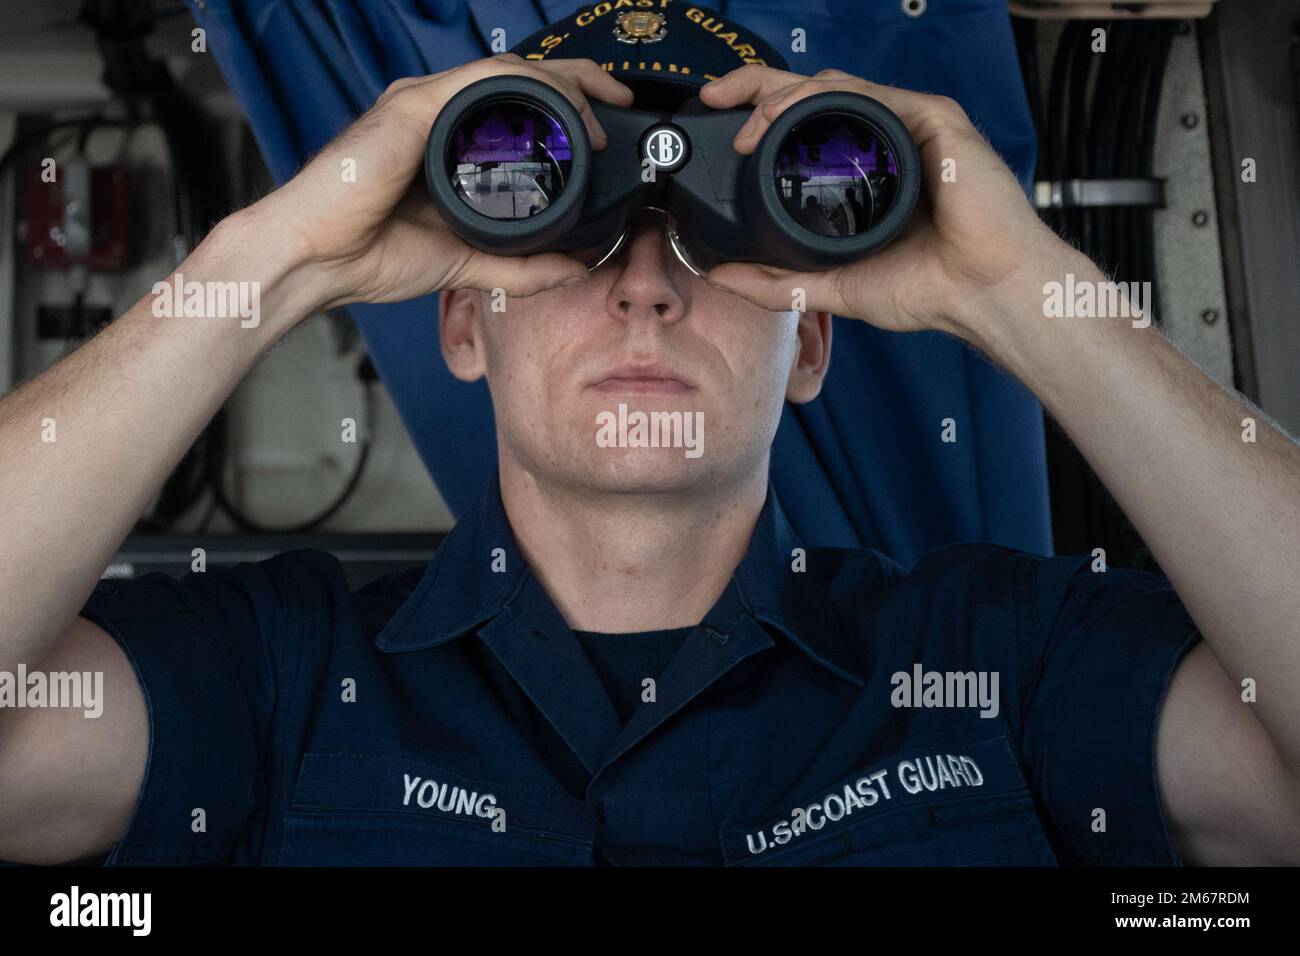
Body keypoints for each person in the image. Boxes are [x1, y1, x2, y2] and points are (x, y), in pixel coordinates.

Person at [1, 45, 1299, 866]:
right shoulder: (279, 680)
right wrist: (280, 262)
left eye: (722, 245)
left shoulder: (997, 662)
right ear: (461, 318)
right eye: (570, 240)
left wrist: (1020, 291)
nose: (645, 291)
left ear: (812, 346)